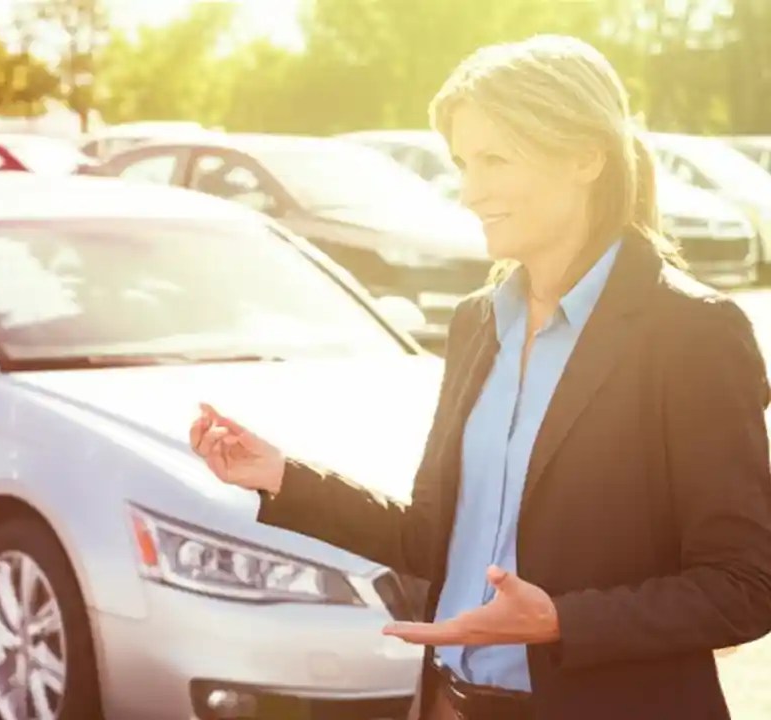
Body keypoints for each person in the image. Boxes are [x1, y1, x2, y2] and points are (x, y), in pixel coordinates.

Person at [190, 35, 771, 720]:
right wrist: (281, 475)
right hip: (452, 704)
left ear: (587, 156)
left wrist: (560, 620)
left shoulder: (690, 333)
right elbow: (430, 535)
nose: (469, 192)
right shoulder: (477, 323)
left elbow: (744, 586)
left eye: (495, 159)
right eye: (463, 163)